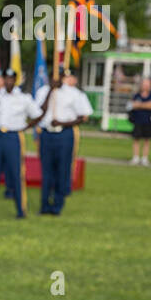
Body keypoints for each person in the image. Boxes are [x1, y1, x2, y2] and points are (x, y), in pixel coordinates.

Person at [0, 68, 50, 218]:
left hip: (14, 136)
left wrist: (27, 126)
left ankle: (21, 209)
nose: (8, 82)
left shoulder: (23, 98)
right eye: (6, 78)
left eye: (12, 79)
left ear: (16, 80)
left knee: (16, 173)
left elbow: (37, 114)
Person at [36, 69, 91, 215]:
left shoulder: (74, 93)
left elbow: (83, 116)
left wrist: (62, 122)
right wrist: (50, 92)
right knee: (46, 171)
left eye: (60, 76)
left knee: (62, 169)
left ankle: (57, 205)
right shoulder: (43, 91)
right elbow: (38, 111)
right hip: (47, 133)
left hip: (64, 134)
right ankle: (44, 204)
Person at [127, 77, 151, 166]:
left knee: (147, 140)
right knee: (136, 139)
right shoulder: (136, 95)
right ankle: (136, 157)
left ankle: (145, 158)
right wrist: (145, 105)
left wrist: (139, 105)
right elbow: (132, 105)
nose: (146, 86)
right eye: (144, 84)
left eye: (148, 85)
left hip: (147, 121)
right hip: (137, 120)